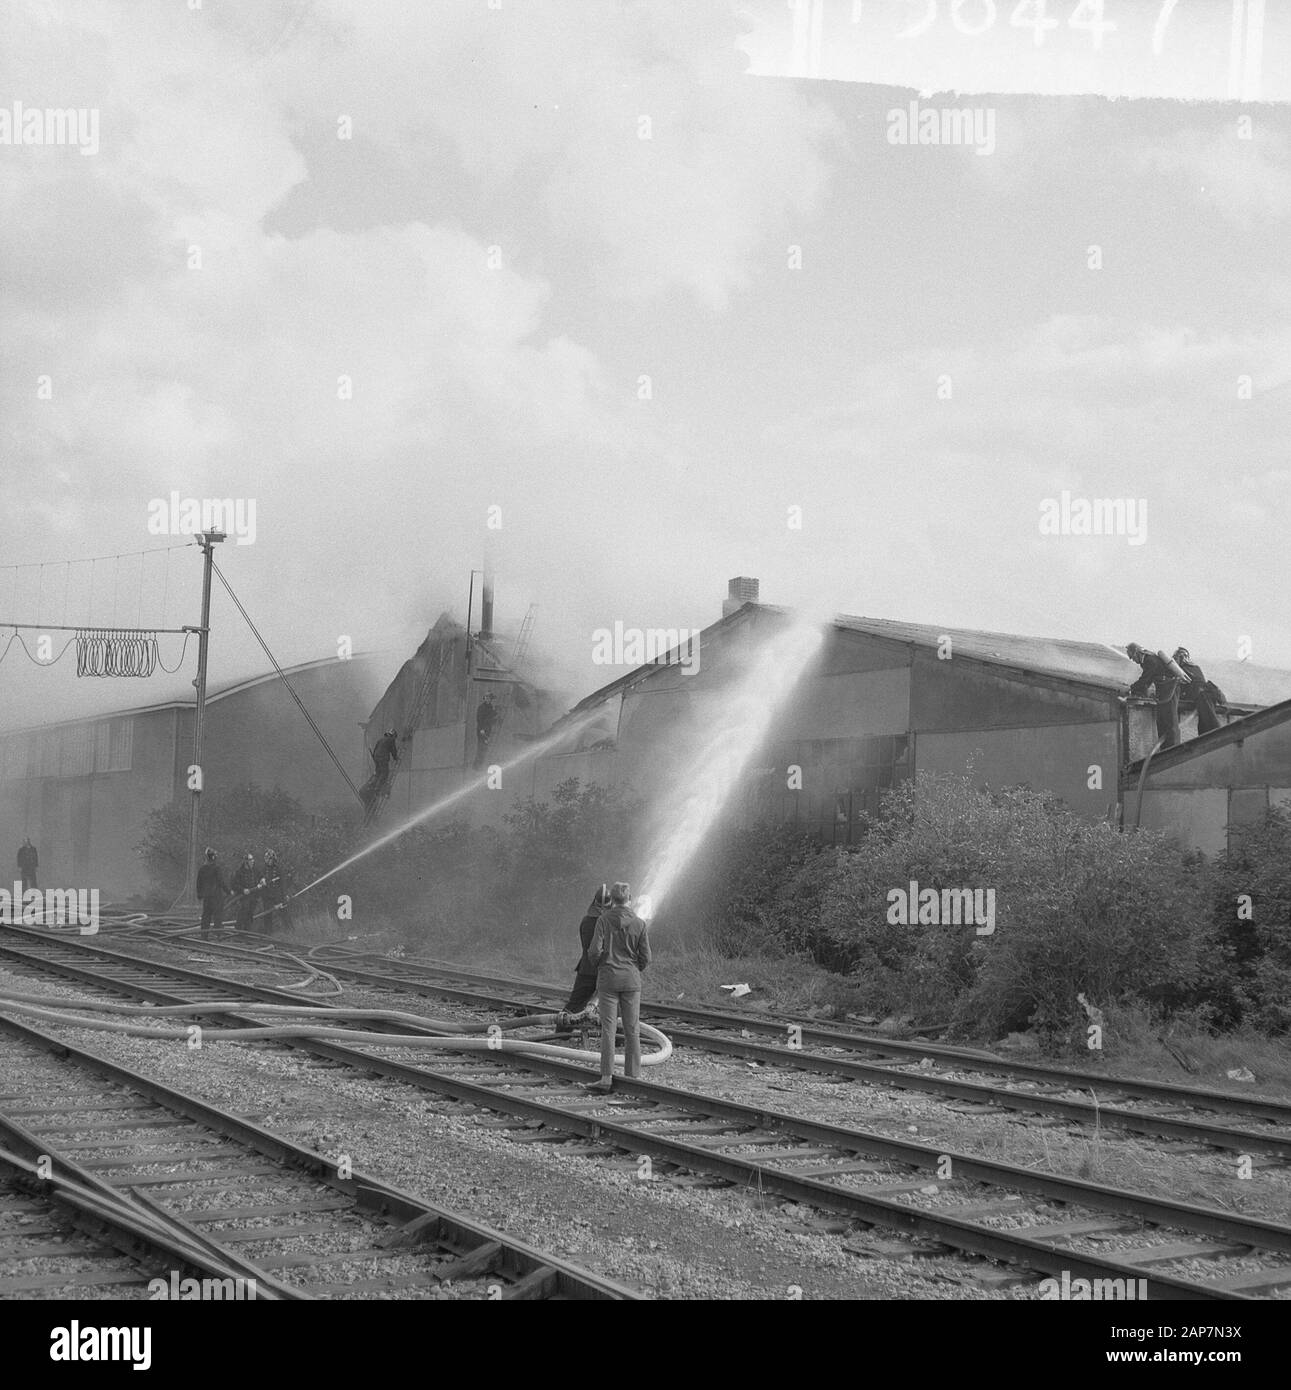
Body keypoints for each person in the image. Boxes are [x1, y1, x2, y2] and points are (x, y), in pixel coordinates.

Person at [584, 882, 651, 1093]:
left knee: (608, 1030)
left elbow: (594, 950)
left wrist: (602, 965)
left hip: (608, 981)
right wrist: (633, 968)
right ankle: (633, 1077)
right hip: (631, 981)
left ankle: (606, 1078)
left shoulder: (603, 920)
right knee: (633, 1029)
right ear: (629, 898)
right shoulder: (640, 924)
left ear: (612, 900)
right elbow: (646, 957)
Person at [556, 885, 611, 1034]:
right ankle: (617, 1038)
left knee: (575, 1003)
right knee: (612, 1005)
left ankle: (562, 1033)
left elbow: (586, 946)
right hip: (606, 969)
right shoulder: (612, 923)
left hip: (587, 969)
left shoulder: (586, 921)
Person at [1126, 643, 1187, 750]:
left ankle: (1173, 748)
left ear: (1137, 653)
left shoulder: (1150, 661)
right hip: (1165, 690)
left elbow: (1145, 679)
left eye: (1133, 657)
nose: (1133, 660)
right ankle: (1165, 748)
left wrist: (1132, 688)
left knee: (1170, 720)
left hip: (1169, 690)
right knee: (1163, 720)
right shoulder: (1148, 660)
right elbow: (1147, 680)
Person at [1173, 648, 1223, 735]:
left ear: (1181, 658)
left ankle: (1215, 734)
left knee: (1208, 721)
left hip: (1199, 696)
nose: (1175, 661)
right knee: (1207, 720)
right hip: (1206, 694)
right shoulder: (1196, 667)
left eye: (1176, 658)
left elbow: (1182, 687)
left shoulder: (1181, 670)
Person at [196, 848, 230, 941]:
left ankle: (204, 936)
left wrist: (200, 895)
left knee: (206, 916)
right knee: (218, 916)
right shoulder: (216, 868)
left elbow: (199, 883)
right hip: (216, 897)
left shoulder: (202, 869)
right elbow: (221, 882)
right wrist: (228, 891)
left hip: (206, 897)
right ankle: (218, 935)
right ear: (214, 857)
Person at [260, 848, 290, 935]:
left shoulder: (278, 869)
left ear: (272, 859)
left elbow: (283, 883)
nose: (267, 861)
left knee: (284, 913)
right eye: (266, 859)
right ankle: (268, 933)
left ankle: (290, 931)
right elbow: (260, 878)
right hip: (267, 896)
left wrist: (285, 895)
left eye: (268, 859)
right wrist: (262, 880)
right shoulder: (263, 868)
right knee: (267, 915)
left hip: (278, 895)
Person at [231, 852, 259, 932]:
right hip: (243, 897)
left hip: (253, 896)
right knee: (243, 912)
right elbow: (234, 885)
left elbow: (261, 875)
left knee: (250, 913)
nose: (253, 861)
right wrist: (243, 890)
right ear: (246, 862)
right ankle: (238, 930)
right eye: (251, 860)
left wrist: (262, 879)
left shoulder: (254, 870)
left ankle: (247, 932)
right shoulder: (239, 872)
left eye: (252, 859)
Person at [474, 693, 498, 770]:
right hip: (482, 730)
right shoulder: (481, 708)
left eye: (490, 698)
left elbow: (491, 716)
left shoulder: (490, 707)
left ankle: (482, 764)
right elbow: (479, 719)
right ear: (484, 698)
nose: (488, 699)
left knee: (485, 747)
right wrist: (481, 729)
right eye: (487, 698)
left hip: (488, 729)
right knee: (481, 747)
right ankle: (477, 766)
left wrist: (496, 712)